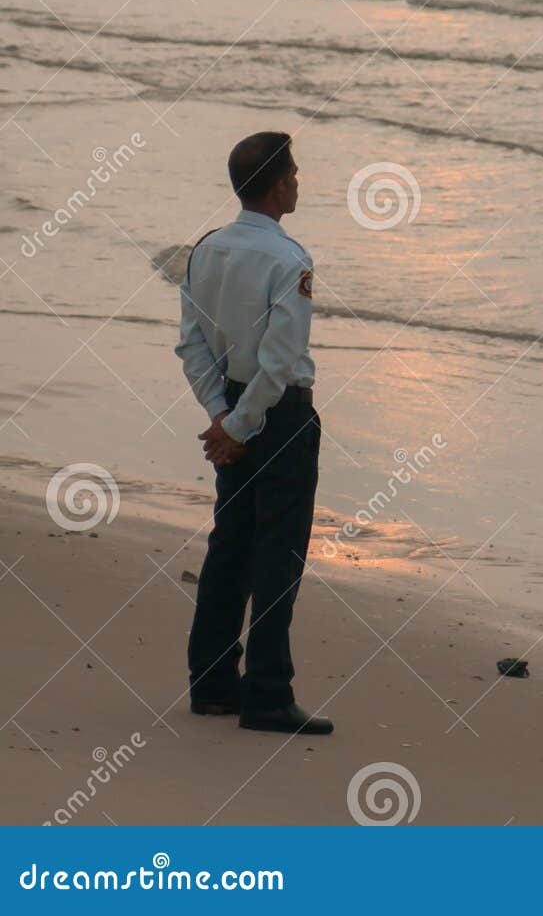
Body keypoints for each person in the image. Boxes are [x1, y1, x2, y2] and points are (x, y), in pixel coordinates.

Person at [174, 131, 332, 735]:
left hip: (233, 404)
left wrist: (222, 416)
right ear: (276, 186)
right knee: (277, 555)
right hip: (280, 414)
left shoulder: (207, 249)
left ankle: (213, 683)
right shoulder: (289, 259)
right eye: (293, 175)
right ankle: (268, 693)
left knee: (231, 546)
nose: (297, 183)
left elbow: (193, 344)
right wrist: (239, 426)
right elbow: (281, 358)